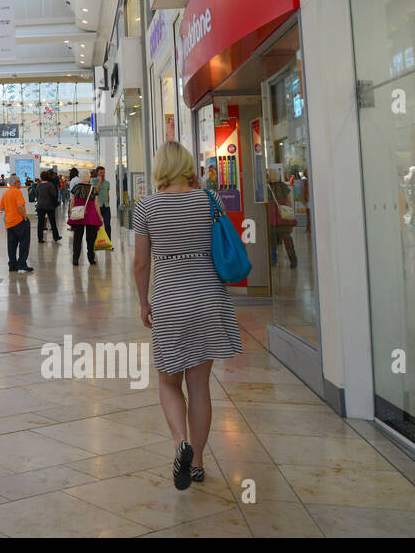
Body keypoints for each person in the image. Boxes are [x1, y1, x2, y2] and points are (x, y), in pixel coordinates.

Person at [132, 141, 243, 491]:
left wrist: (143, 302)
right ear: (187, 164)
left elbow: (140, 263)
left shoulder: (146, 206)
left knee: (168, 381)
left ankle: (181, 440)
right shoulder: (209, 199)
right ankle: (196, 462)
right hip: (209, 297)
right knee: (200, 386)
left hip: (169, 300)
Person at [0, 174, 33, 273]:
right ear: (16, 183)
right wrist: (24, 216)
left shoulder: (6, 193)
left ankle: (12, 265)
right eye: (19, 182)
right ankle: (21, 264)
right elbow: (20, 205)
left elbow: (1, 207)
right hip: (19, 221)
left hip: (9, 222)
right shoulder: (17, 192)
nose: (20, 183)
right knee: (24, 243)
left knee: (11, 245)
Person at [67, 173, 102, 266]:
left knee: (77, 238)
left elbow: (72, 202)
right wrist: (100, 216)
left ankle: (75, 259)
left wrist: (71, 212)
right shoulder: (93, 189)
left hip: (78, 215)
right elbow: (96, 204)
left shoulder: (75, 188)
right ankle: (91, 258)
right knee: (91, 239)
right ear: (89, 178)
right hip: (91, 216)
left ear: (80, 177)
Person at [266, 168, 298, 269]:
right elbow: (289, 202)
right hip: (284, 218)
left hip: (272, 219)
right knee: (288, 240)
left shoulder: (267, 188)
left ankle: (273, 261)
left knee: (272, 242)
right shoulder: (284, 187)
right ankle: (293, 260)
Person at [35, 171, 61, 243]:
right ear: (48, 177)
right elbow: (54, 195)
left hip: (40, 205)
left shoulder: (38, 185)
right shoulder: (50, 185)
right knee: (52, 222)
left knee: (40, 223)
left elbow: (36, 195)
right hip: (49, 205)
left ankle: (40, 238)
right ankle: (56, 237)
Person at [94, 166, 112, 240]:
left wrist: (108, 201)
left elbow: (108, 194)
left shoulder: (107, 183)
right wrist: (99, 181)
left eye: (104, 172)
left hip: (106, 206)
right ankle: (94, 242)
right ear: (97, 173)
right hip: (97, 206)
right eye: (101, 173)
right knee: (95, 225)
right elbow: (95, 191)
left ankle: (108, 242)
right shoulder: (94, 181)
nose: (103, 174)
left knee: (107, 225)